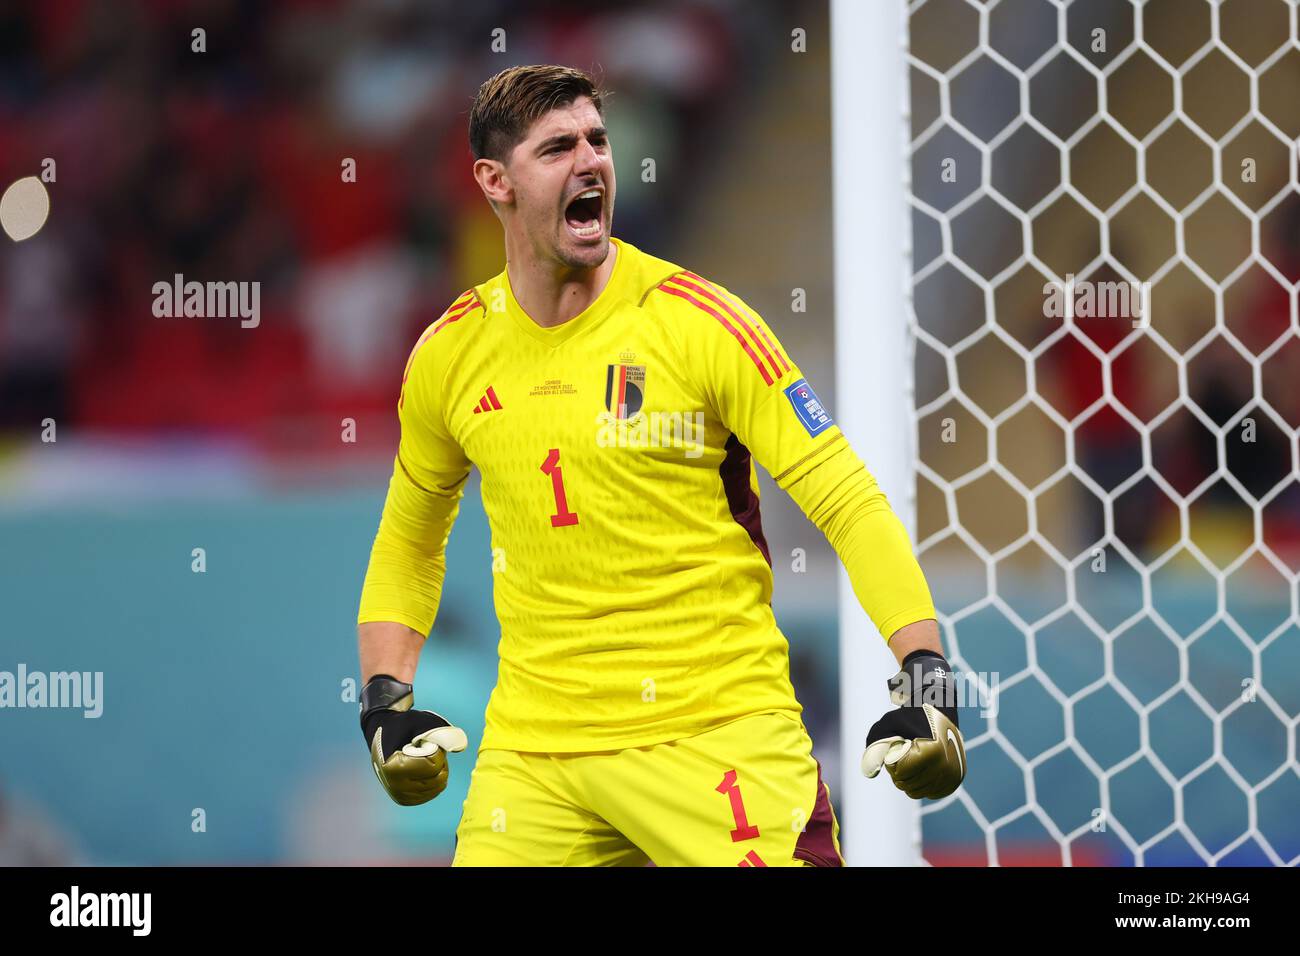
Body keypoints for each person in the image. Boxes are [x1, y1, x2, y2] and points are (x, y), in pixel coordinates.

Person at [355, 64, 965, 867]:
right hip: (539, 755)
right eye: (557, 148)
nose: (590, 162)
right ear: (494, 182)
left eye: (598, 141)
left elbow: (846, 499)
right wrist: (386, 704)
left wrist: (923, 670)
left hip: (714, 731)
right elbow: (409, 539)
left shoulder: (703, 326)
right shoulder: (450, 356)